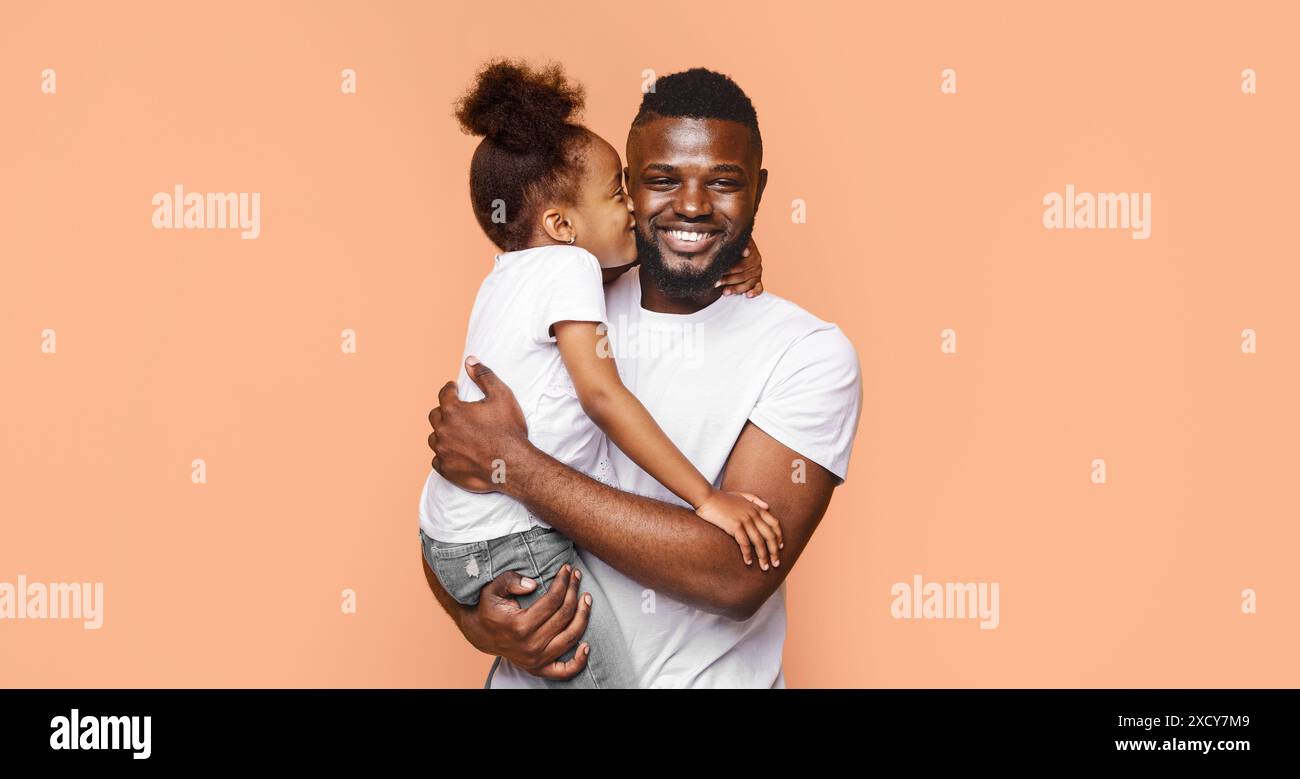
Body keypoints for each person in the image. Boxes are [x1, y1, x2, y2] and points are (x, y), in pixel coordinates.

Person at [426, 67, 863, 688]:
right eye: (661, 180)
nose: (690, 204)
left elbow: (733, 577)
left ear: (759, 192)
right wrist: (474, 619)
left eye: (723, 183)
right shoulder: (575, 306)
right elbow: (462, 489)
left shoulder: (807, 354)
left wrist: (515, 465)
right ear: (627, 190)